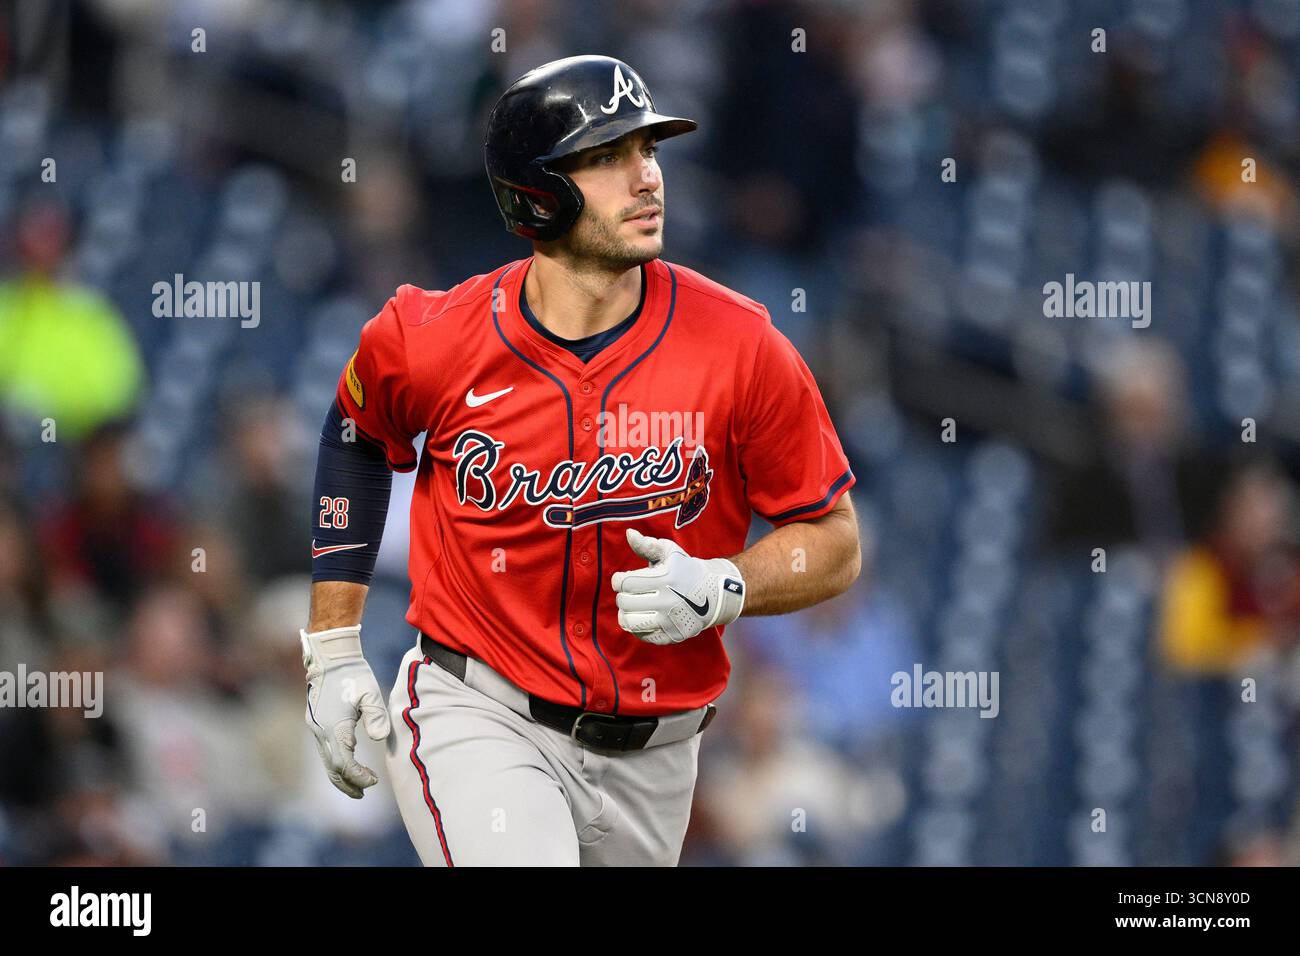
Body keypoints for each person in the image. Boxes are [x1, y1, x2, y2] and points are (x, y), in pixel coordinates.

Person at [299, 55, 861, 866]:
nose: (647, 178)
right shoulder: (434, 337)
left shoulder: (740, 345)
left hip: (660, 757)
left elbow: (834, 538)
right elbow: (354, 434)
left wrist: (725, 584)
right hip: (481, 711)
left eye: (650, 151)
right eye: (608, 158)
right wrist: (333, 647)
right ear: (537, 193)